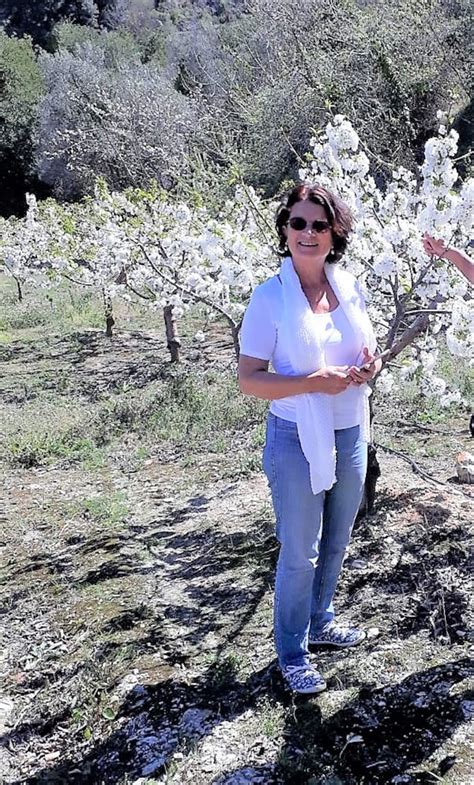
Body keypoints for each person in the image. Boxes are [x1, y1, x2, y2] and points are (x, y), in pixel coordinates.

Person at [238, 183, 382, 694]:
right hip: (296, 434)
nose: (308, 233)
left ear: (334, 234)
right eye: (298, 223)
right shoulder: (270, 297)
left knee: (338, 539)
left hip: (350, 430)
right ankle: (292, 653)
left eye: (319, 225)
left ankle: (321, 621)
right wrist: (310, 385)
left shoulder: (349, 288)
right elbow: (250, 377)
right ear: (284, 229)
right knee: (301, 551)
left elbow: (366, 346)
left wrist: (372, 365)